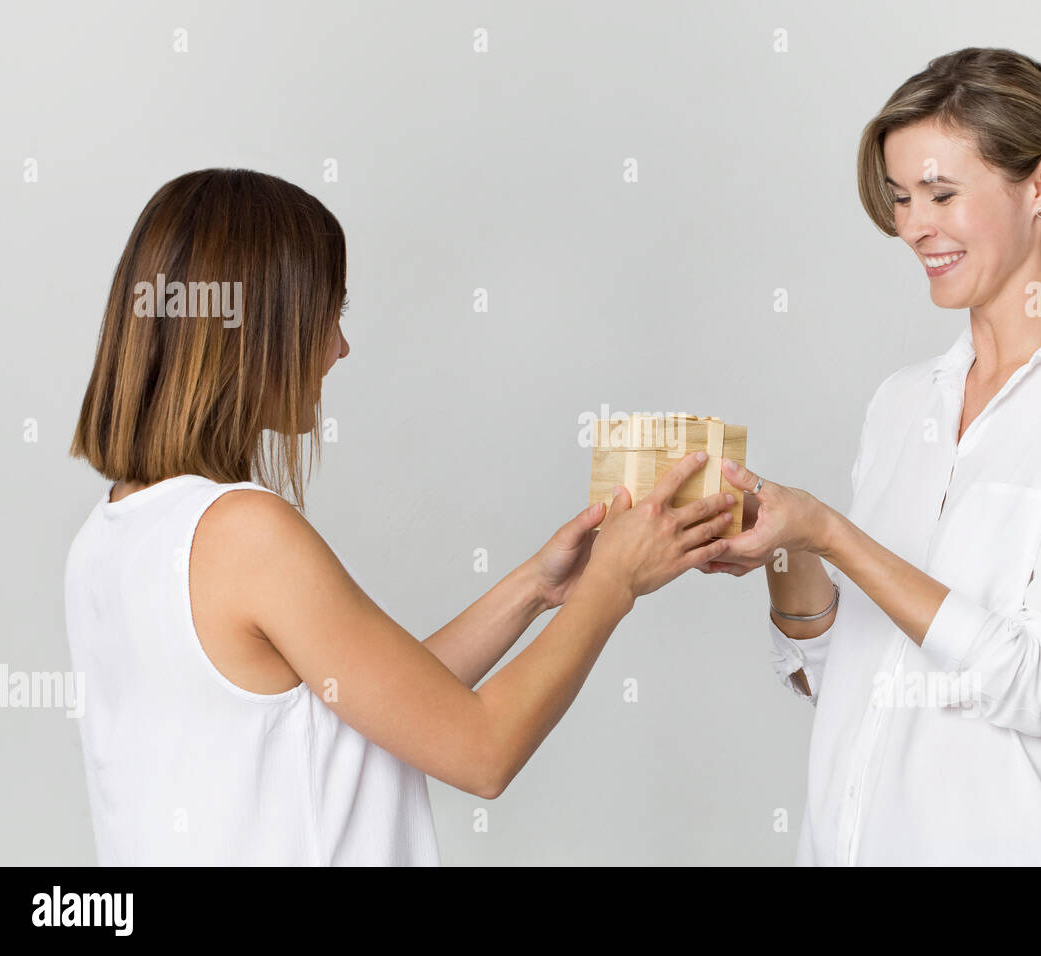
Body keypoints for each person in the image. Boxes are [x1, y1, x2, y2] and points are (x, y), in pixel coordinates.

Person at [64, 168, 735, 865]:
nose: (339, 350)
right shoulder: (241, 532)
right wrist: (613, 586)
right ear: (260, 327)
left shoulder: (108, 537)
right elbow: (481, 750)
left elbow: (374, 710)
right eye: (330, 315)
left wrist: (539, 588)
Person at [703, 47, 1041, 866]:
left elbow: (1040, 685)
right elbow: (840, 679)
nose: (912, 226)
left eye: (940, 193)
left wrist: (829, 531)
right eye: (900, 198)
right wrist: (780, 539)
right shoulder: (903, 403)